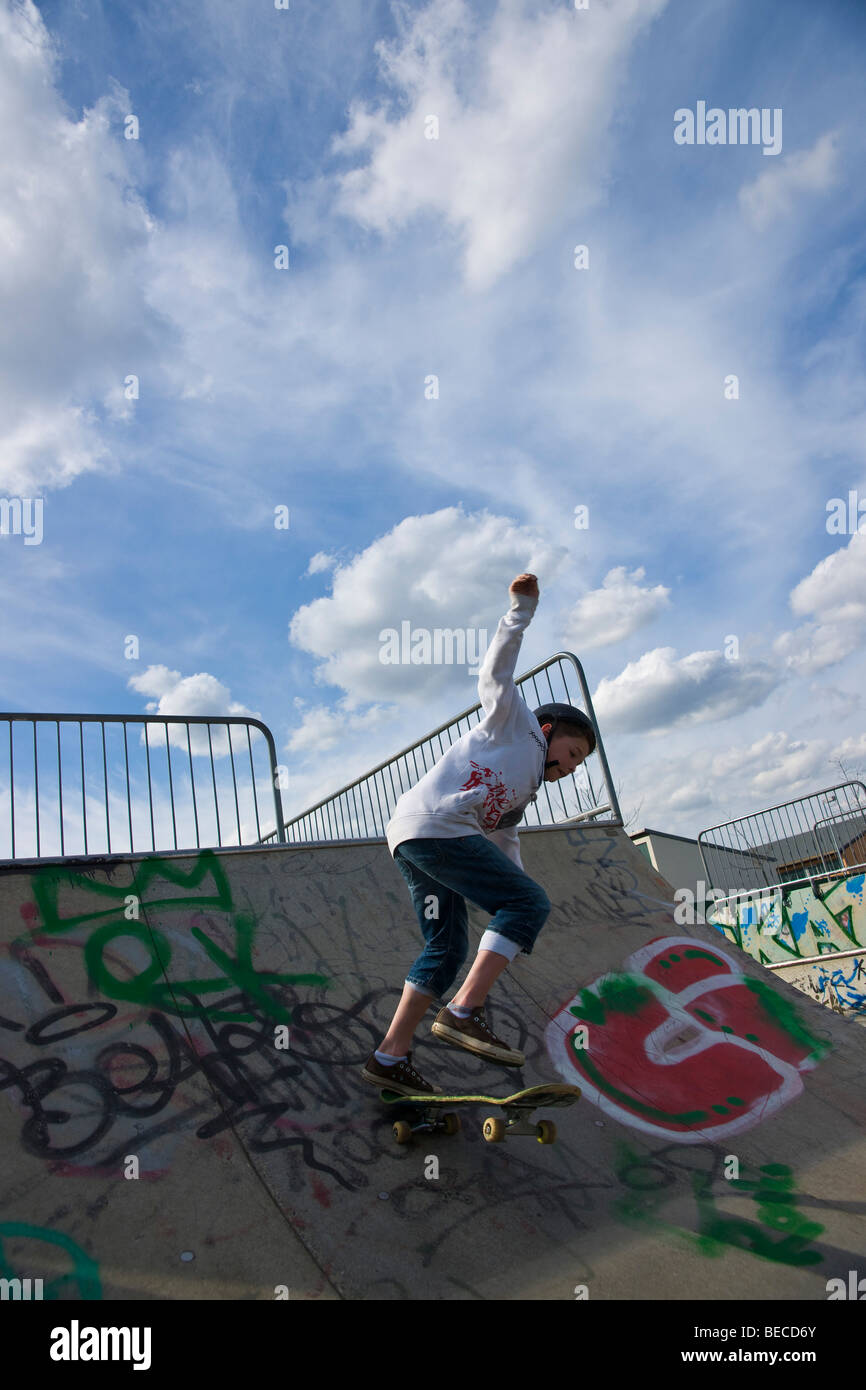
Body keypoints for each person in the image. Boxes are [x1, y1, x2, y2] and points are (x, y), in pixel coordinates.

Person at [361, 572, 596, 1095]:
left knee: (446, 949)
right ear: (551, 731)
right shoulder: (517, 725)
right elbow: (495, 674)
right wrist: (520, 613)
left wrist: (517, 899)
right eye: (573, 755)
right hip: (434, 827)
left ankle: (390, 1056)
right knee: (528, 904)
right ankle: (464, 1011)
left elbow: (505, 845)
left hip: (416, 837)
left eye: (578, 766)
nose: (571, 768)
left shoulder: (523, 790)